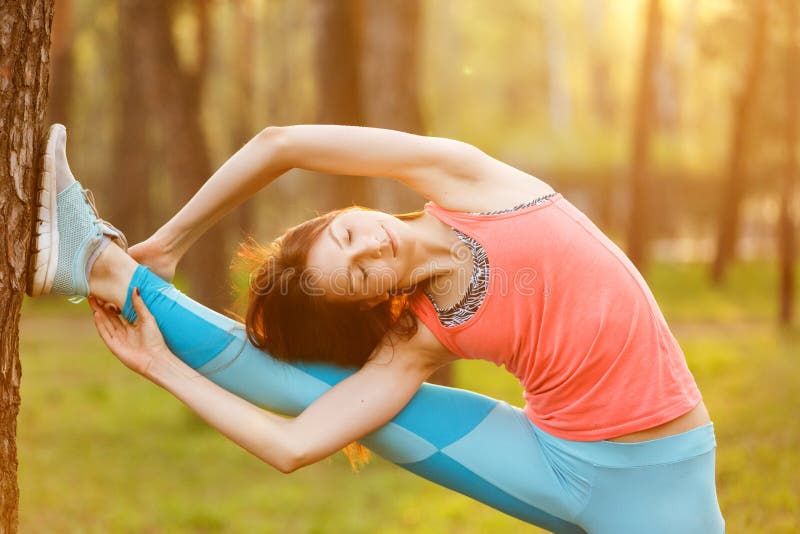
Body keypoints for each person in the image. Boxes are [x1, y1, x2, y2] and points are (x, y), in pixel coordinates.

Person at [28, 123, 725, 533]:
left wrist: (176, 238)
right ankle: (96, 266)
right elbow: (293, 445)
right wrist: (160, 365)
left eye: (350, 234)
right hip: (557, 463)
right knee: (316, 393)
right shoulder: (418, 342)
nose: (370, 249)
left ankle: (109, 266)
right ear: (372, 301)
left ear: (349, 208)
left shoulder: (466, 182)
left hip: (667, 468)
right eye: (358, 274)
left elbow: (282, 143)